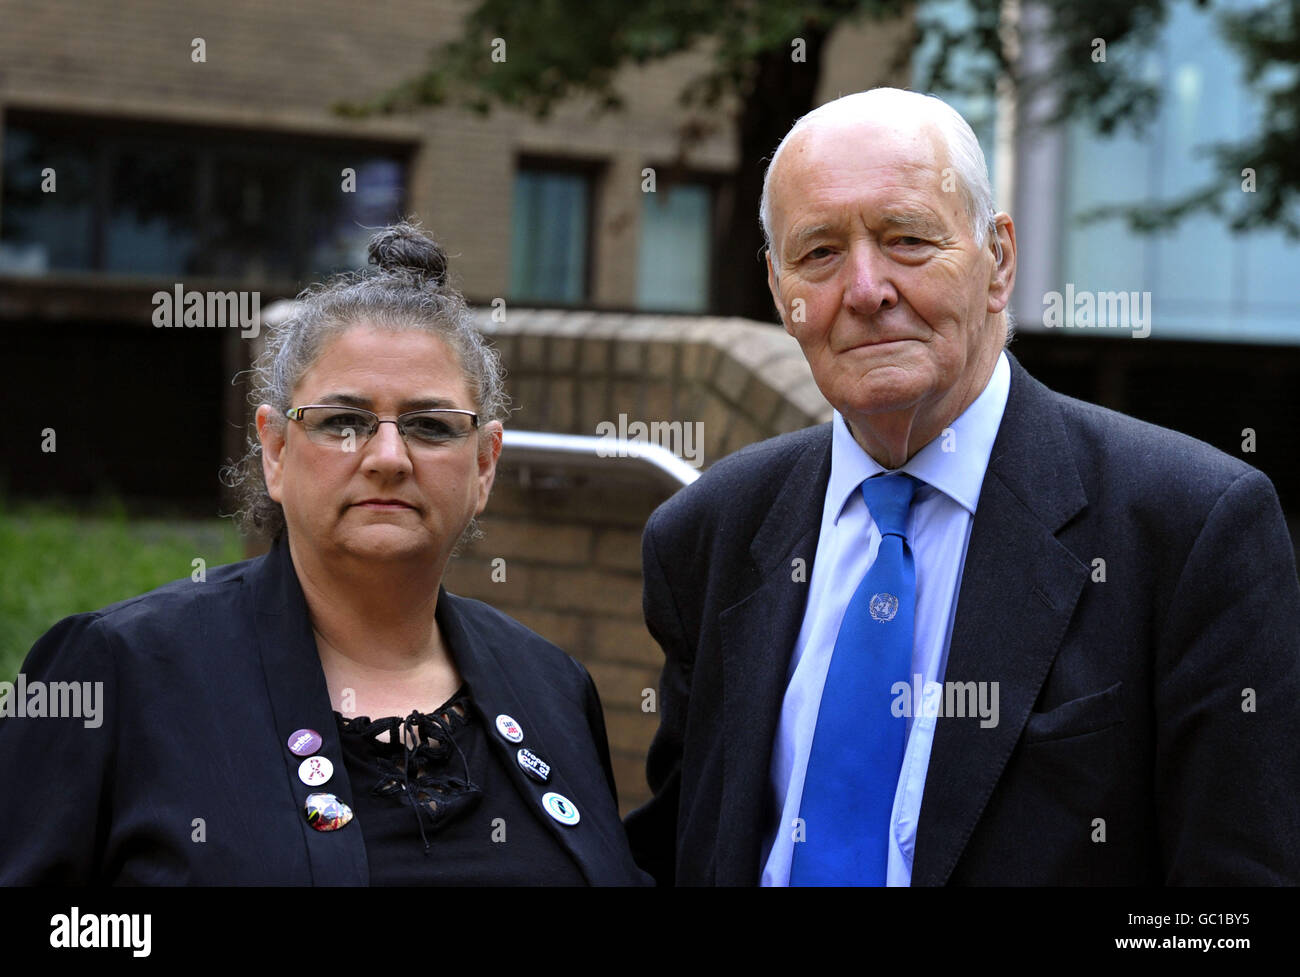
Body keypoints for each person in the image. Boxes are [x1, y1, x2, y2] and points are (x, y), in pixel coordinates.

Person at [624, 88, 1300, 885]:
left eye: (907, 239)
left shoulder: (1190, 528)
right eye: (820, 254)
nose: (867, 288)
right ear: (780, 293)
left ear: (999, 261)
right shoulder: (707, 534)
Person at [0, 221, 650, 886]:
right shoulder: (122, 671)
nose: (388, 458)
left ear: (484, 465)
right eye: (344, 422)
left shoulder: (553, 687)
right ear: (276, 450)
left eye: (431, 426)